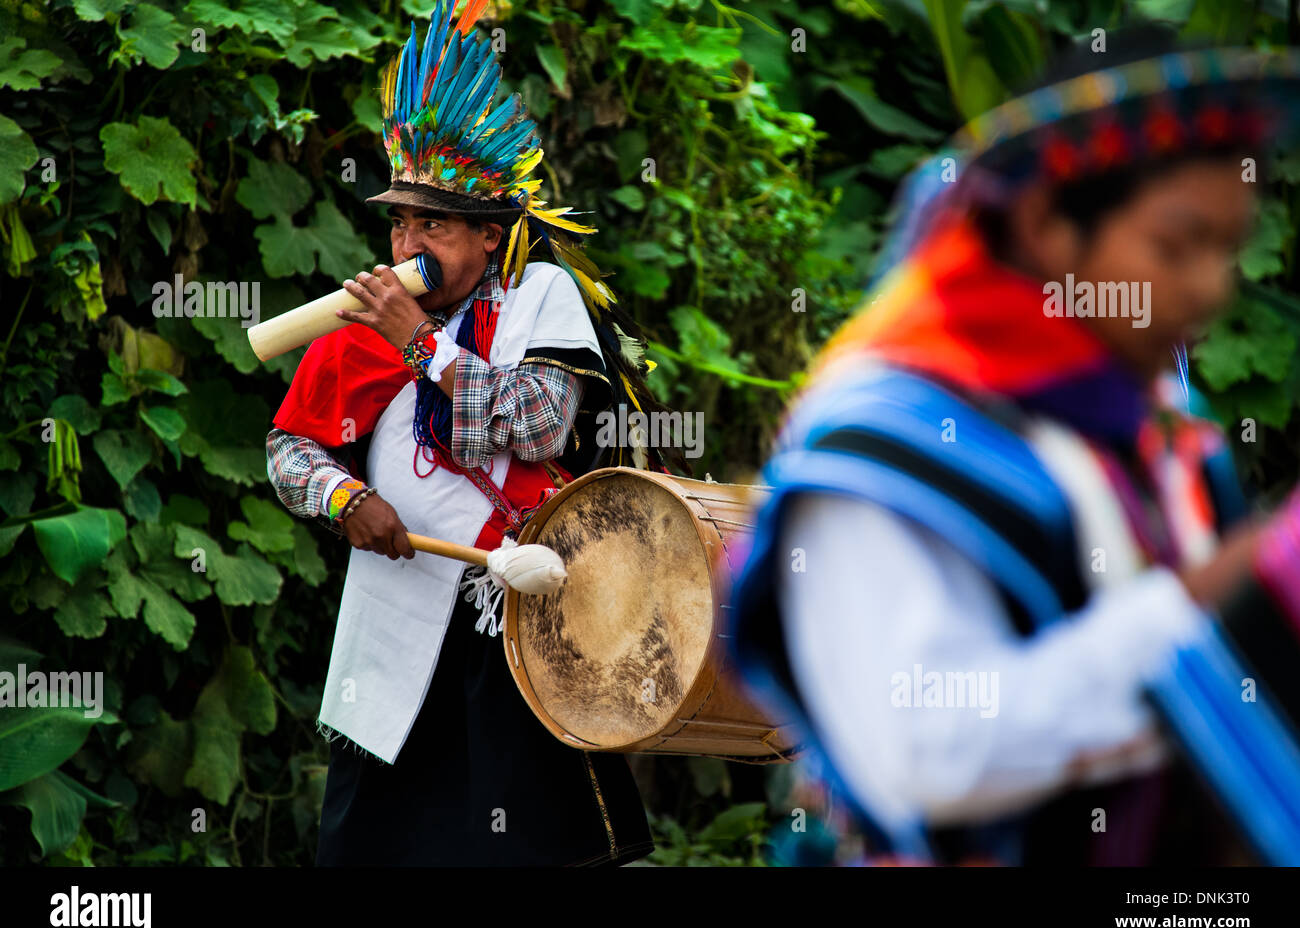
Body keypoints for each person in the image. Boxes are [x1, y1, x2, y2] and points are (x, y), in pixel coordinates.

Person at [731, 34, 1300, 865]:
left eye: (1227, 250)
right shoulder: (883, 451)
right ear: (1047, 228)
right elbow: (927, 754)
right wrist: (1210, 608)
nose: (1211, 288)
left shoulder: (1164, 418)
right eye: (1175, 248)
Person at [265, 0, 668, 865]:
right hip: (399, 608)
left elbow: (537, 422)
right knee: (385, 842)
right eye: (400, 224)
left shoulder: (540, 300)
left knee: (526, 839)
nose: (407, 244)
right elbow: (290, 447)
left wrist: (420, 340)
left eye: (433, 225)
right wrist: (345, 496)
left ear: (489, 236)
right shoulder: (357, 331)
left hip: (522, 611)